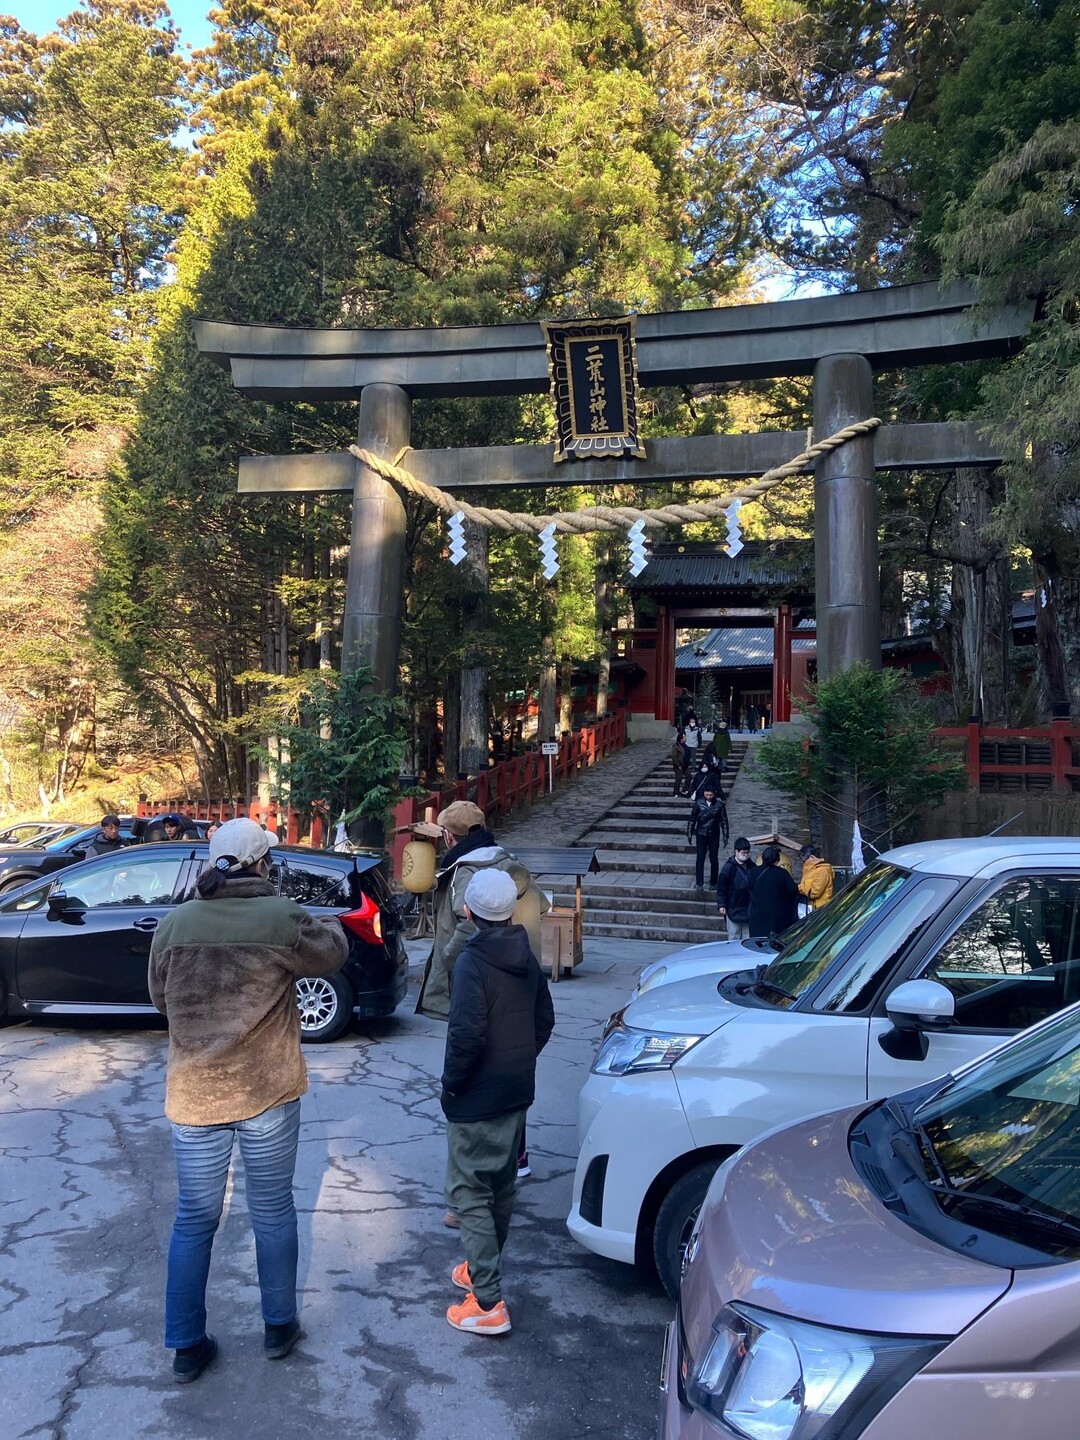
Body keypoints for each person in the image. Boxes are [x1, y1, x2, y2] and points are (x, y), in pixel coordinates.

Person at [148, 818, 349, 1384]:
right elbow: (331, 955)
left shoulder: (176, 923)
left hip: (194, 1095)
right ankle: (279, 1327)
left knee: (193, 1221)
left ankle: (187, 1346)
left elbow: (160, 999)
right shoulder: (282, 917)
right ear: (265, 863)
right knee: (273, 1210)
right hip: (267, 1091)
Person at [441, 869, 554, 1336]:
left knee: (470, 1191)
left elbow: (466, 1034)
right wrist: (520, 1058)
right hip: (515, 1089)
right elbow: (545, 1019)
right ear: (509, 911)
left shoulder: (471, 961)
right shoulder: (524, 953)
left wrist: (451, 1085)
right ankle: (480, 1265)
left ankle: (487, 1300)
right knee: (501, 1186)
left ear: (469, 912)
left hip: (477, 1095)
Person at [415, 800, 550, 1192]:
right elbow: (541, 905)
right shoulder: (509, 863)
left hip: (479, 982)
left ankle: (473, 1180)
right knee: (512, 1067)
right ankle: (517, 1155)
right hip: (521, 977)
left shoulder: (467, 873)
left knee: (472, 1069)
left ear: (449, 835)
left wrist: (449, 959)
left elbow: (464, 924)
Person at [748, 844, 801, 939]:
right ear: (777, 860)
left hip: (757, 916)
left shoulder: (753, 872)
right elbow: (792, 890)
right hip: (777, 918)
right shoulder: (782, 873)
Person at [687, 780, 729, 892]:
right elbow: (692, 819)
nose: (709, 796)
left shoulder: (719, 805)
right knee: (700, 858)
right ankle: (699, 882)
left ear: (714, 794)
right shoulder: (699, 803)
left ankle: (713, 882)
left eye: (711, 795)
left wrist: (726, 836)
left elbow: (724, 821)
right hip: (701, 833)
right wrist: (689, 833)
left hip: (714, 834)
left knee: (714, 859)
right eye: (707, 794)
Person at [716, 837, 757, 941]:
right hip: (733, 907)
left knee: (747, 938)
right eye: (743, 853)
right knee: (734, 936)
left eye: (747, 853)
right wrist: (721, 904)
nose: (746, 855)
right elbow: (721, 888)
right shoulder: (728, 868)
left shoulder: (752, 867)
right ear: (736, 852)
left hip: (748, 907)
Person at [798, 844, 835, 910]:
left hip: (821, 909)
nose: (804, 862)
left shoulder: (822, 870)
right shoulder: (811, 869)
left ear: (812, 857)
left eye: (805, 860)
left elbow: (814, 893)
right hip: (812, 907)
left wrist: (799, 888)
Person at [670, 730, 690, 797]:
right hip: (678, 765)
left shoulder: (685, 746)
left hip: (685, 764)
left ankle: (685, 789)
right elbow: (674, 756)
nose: (686, 738)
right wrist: (677, 765)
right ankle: (676, 792)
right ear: (681, 738)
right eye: (684, 737)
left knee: (689, 776)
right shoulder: (676, 746)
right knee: (678, 778)